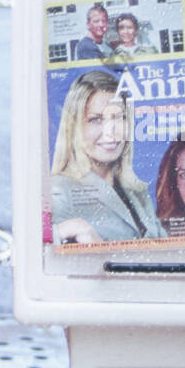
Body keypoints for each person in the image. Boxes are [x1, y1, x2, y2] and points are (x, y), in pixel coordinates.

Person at [50, 70, 164, 244]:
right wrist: (67, 230)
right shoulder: (59, 189)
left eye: (119, 118)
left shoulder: (136, 192)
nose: (111, 131)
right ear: (73, 128)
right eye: (95, 120)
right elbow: (34, 248)